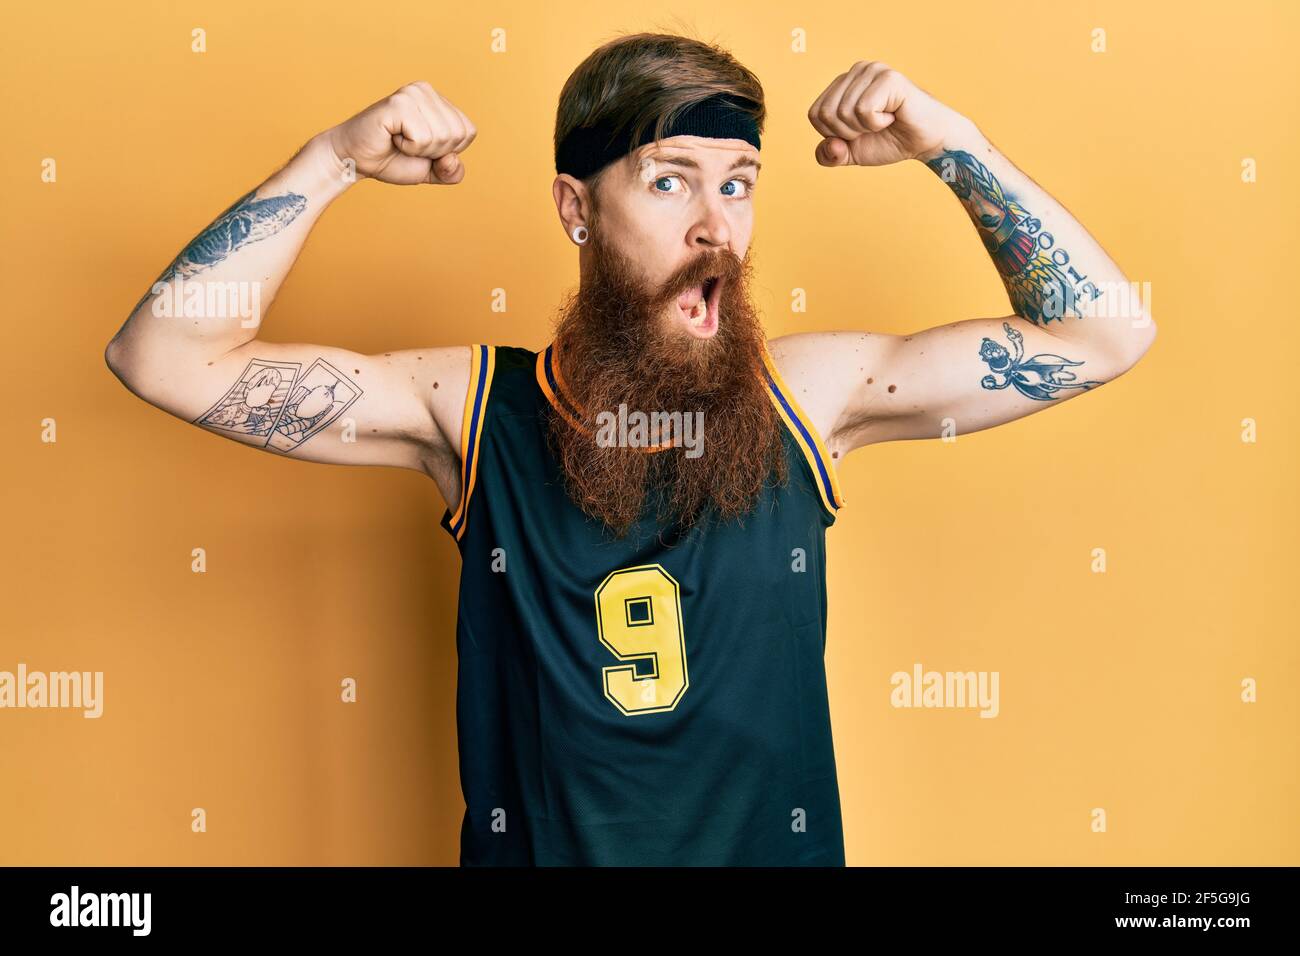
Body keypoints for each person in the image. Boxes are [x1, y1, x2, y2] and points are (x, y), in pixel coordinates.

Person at [105, 33, 1156, 865]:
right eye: (668, 181)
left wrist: (949, 142)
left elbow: (1104, 333)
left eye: (738, 182)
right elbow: (162, 358)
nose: (715, 226)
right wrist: (330, 160)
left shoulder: (806, 394)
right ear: (576, 206)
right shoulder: (472, 411)